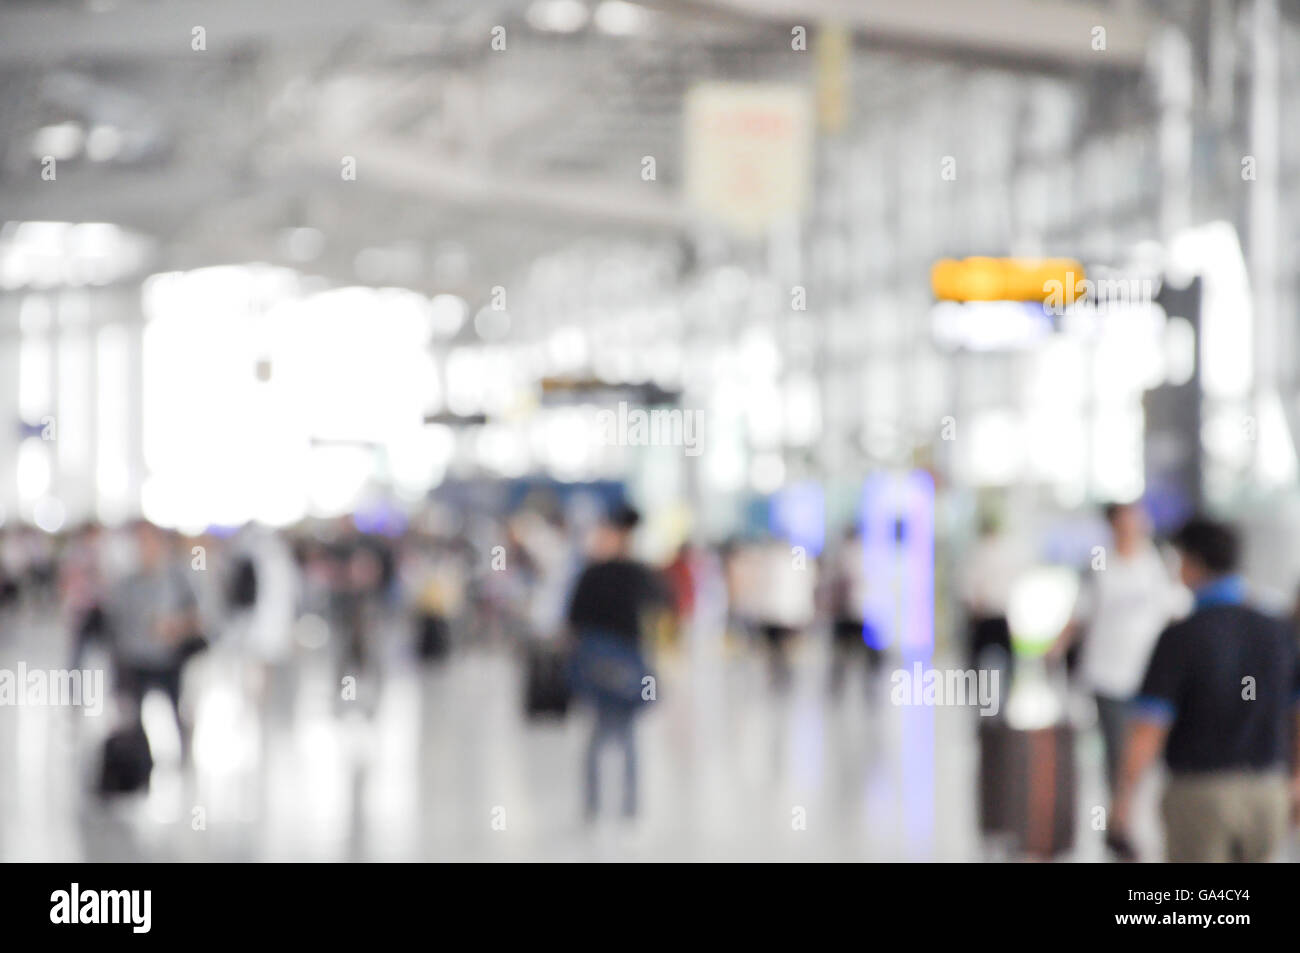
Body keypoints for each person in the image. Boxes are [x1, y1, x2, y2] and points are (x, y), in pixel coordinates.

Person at [1110, 517, 1300, 862]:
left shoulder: (1181, 638)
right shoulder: (1278, 633)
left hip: (1200, 794)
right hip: (1269, 792)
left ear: (1193, 562)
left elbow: (1148, 729)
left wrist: (1123, 804)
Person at [1048, 502, 1186, 795]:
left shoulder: (1160, 562)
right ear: (1112, 524)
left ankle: (1133, 810)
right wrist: (1056, 647)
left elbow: (1177, 609)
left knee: (1148, 748)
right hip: (1108, 674)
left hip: (1152, 672)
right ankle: (1119, 817)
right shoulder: (1099, 565)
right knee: (1117, 749)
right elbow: (1080, 614)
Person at [566, 502, 666, 822]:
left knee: (601, 734)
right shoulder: (633, 572)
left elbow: (571, 622)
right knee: (624, 735)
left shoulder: (595, 572)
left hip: (601, 661)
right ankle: (626, 807)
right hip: (624, 660)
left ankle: (599, 807)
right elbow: (662, 605)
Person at [103, 520, 202, 761]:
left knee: (177, 710)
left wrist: (175, 626)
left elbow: (198, 617)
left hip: (167, 660)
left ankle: (184, 755)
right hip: (134, 661)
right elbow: (114, 625)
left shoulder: (177, 579)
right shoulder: (125, 583)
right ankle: (141, 763)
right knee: (133, 717)